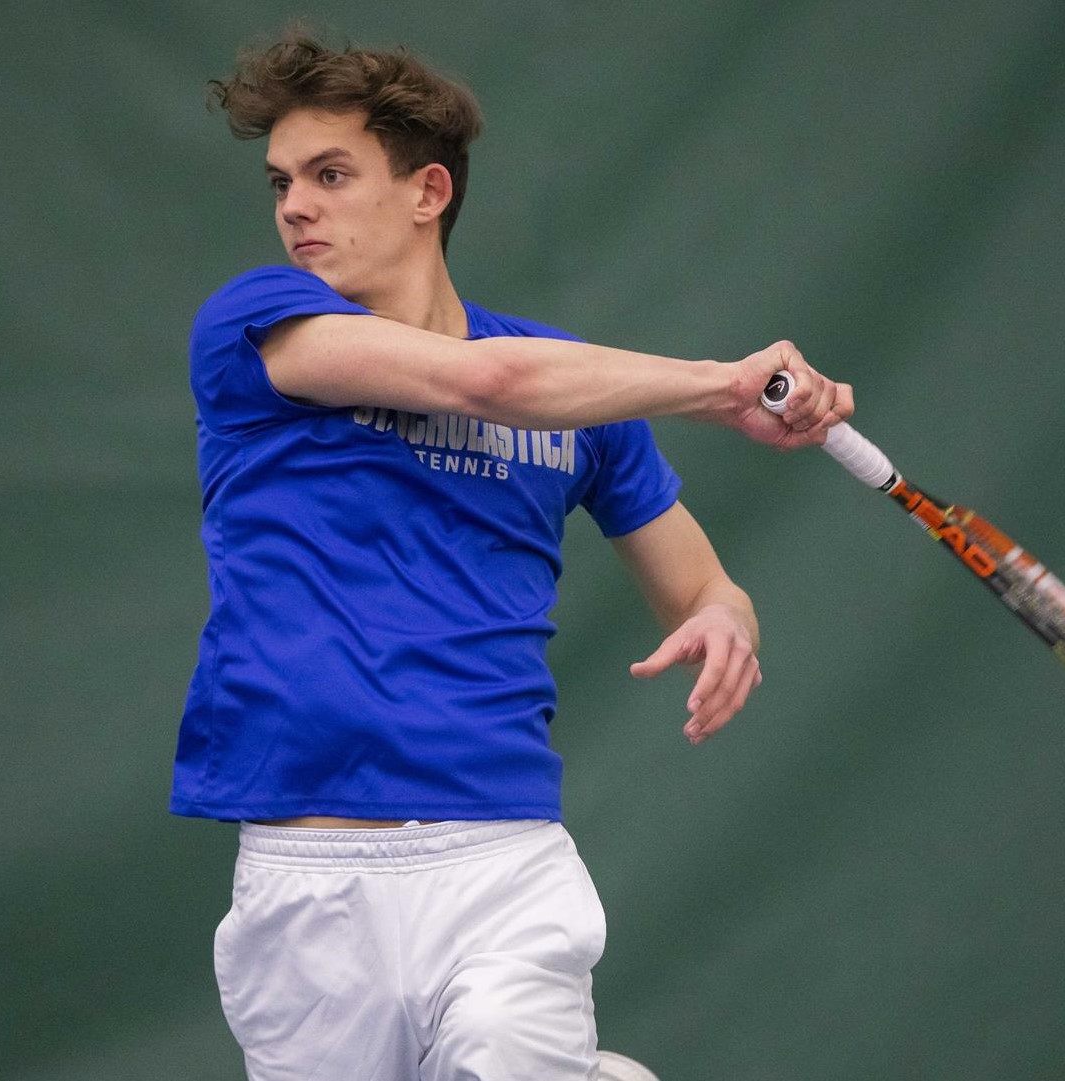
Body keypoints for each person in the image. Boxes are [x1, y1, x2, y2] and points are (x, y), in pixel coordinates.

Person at [174, 27, 852, 1081]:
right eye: (281, 182)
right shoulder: (258, 328)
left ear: (425, 190)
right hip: (305, 879)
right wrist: (722, 384)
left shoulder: (579, 399)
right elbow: (482, 383)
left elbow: (703, 587)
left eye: (330, 174)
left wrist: (723, 619)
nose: (294, 206)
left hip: (498, 859)